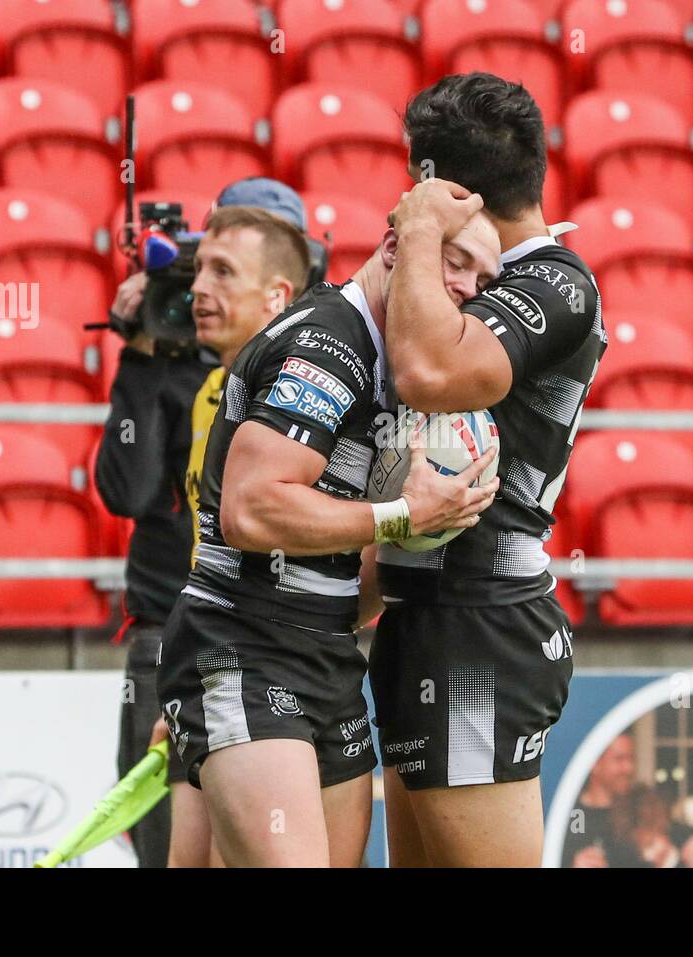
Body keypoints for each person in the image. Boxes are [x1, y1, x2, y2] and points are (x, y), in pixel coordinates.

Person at [156, 210, 503, 867]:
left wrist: (431, 526)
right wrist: (403, 516)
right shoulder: (325, 345)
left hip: (330, 655)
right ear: (396, 244)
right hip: (245, 643)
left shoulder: (403, 367)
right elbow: (251, 511)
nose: (466, 287)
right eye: (454, 261)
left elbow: (351, 583)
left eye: (482, 278)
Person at [369, 72, 606, 867]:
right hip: (424, 611)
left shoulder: (556, 283)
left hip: (480, 619)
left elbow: (427, 372)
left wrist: (426, 229)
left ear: (440, 185)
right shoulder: (482, 275)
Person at [99, 179, 313, 868]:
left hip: (273, 646)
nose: (205, 289)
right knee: (168, 848)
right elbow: (124, 491)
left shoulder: (315, 379)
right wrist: (138, 357)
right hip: (172, 633)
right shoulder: (187, 366)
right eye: (205, 266)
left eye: (230, 269)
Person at [562, 733, 636, 868]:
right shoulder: (565, 815)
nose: (629, 768)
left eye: (631, 759)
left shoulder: (637, 814)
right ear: (594, 763)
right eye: (619, 759)